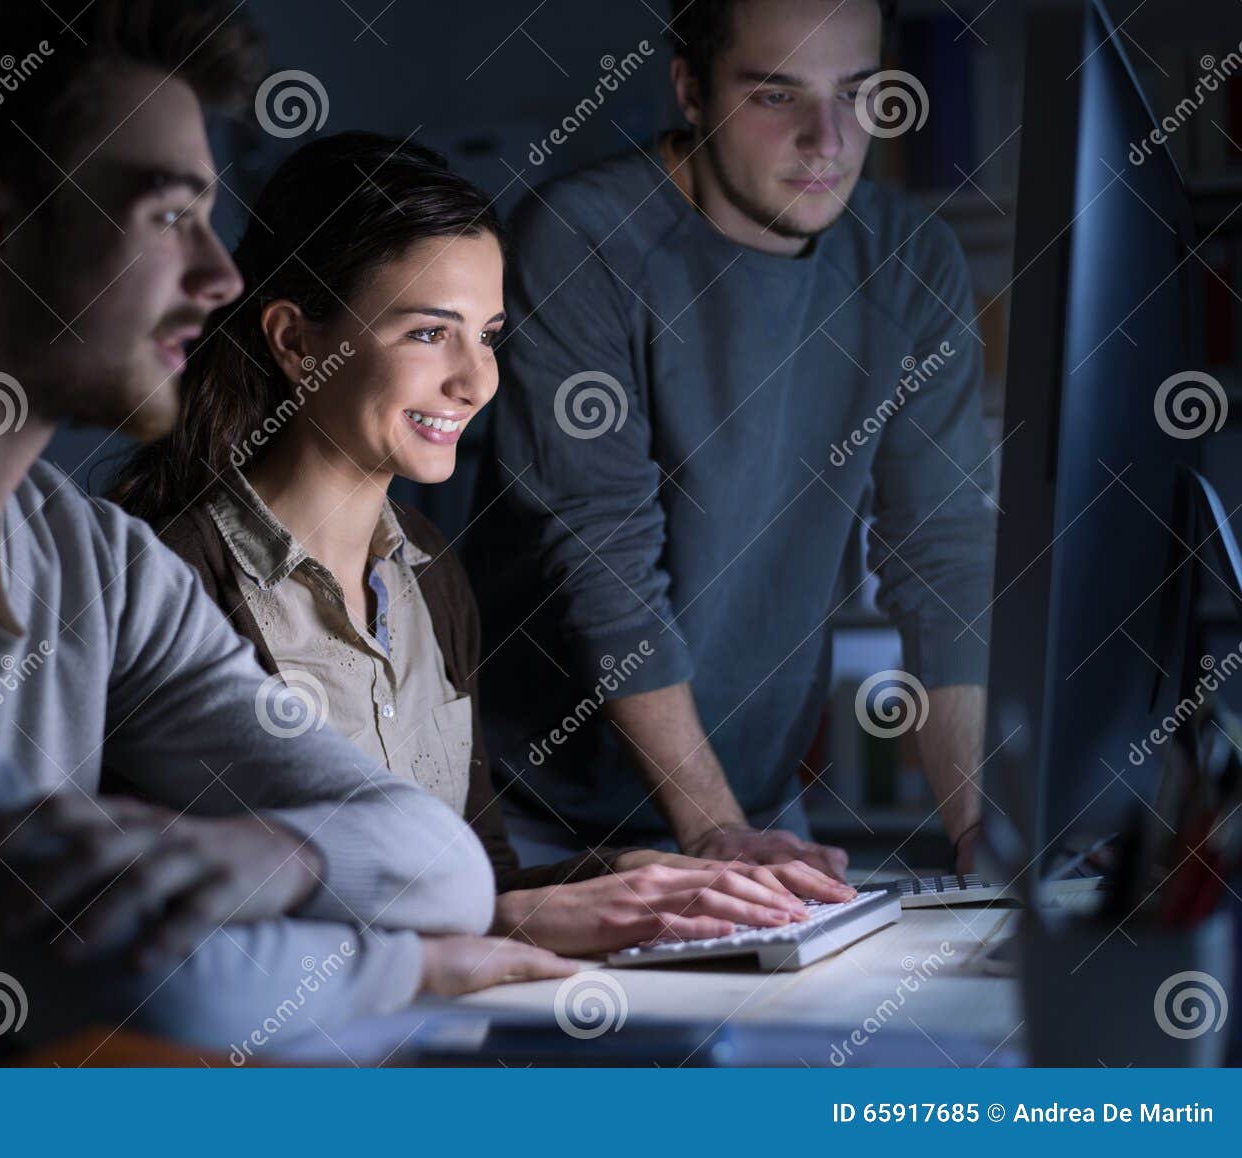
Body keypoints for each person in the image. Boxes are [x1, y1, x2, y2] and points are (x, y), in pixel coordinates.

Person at [0, 0, 543, 1066]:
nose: (219, 277)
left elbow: (446, 863)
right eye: (168, 216)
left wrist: (266, 851)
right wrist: (412, 966)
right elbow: (122, 980)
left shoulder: (98, 563)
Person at [109, 131, 856, 958]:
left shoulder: (432, 572)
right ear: (296, 340)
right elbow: (178, 926)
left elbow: (478, 878)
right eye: (430, 333)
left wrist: (640, 874)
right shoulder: (169, 580)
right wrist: (514, 919)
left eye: (488, 333)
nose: (475, 380)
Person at [466, 0, 996, 878]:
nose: (827, 140)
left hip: (751, 800)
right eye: (777, 96)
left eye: (858, 94)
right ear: (691, 90)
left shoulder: (912, 260)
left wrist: (984, 836)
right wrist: (714, 833)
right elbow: (603, 555)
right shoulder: (580, 238)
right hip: (536, 809)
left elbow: (943, 554)